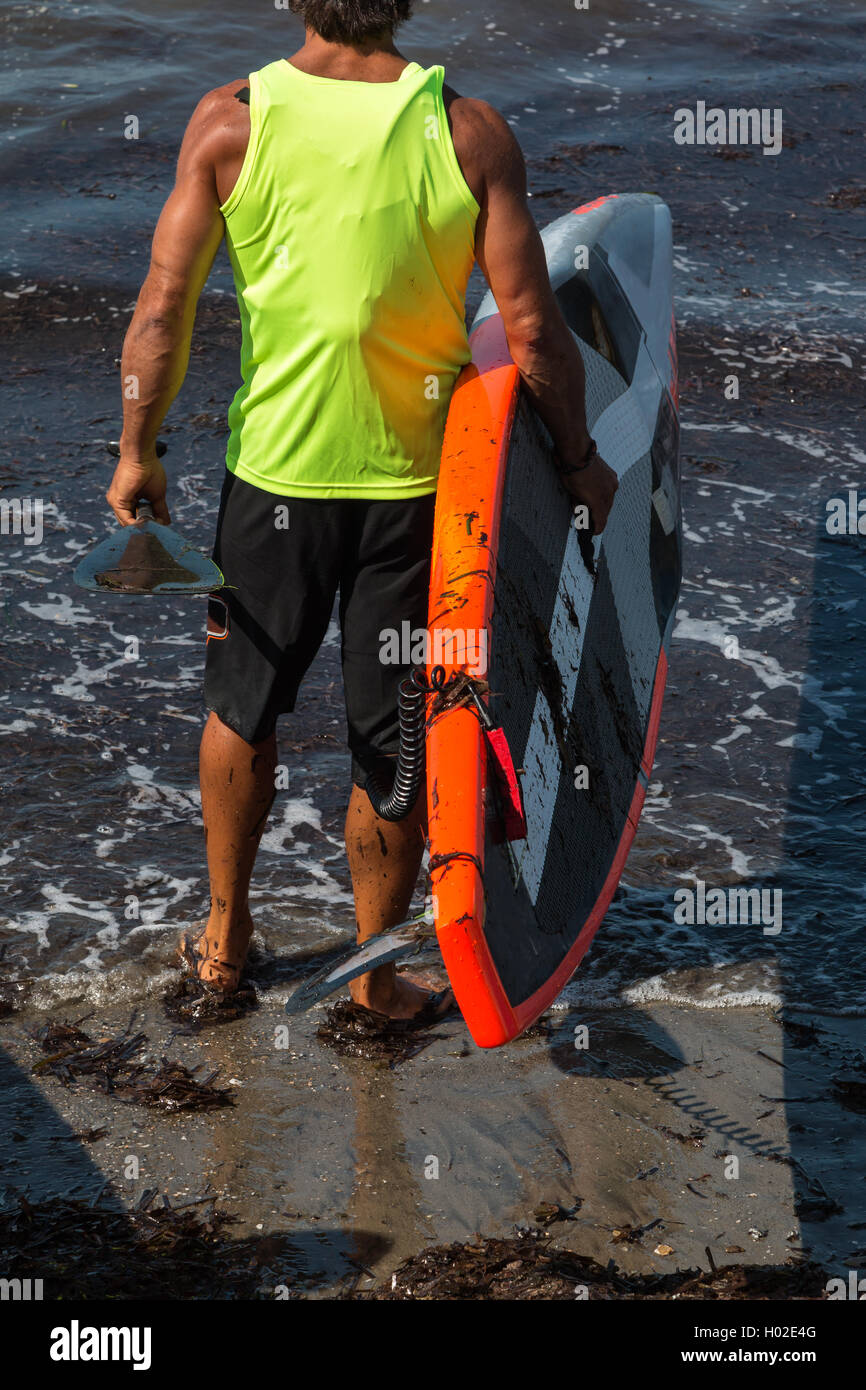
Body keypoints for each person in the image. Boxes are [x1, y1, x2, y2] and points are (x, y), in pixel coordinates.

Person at [105, 0, 618, 1021]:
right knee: (392, 734)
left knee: (241, 704)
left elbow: (163, 308)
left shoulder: (229, 122)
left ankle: (222, 944)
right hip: (415, 501)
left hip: (273, 484)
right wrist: (577, 460)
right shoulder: (464, 131)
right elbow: (531, 329)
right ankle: (375, 979)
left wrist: (136, 451)